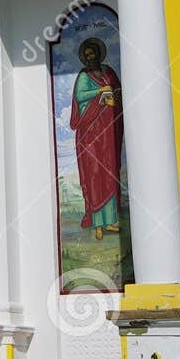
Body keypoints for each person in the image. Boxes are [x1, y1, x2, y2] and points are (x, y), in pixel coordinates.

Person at [69, 38, 123, 240]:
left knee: (109, 172)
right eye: (88, 55)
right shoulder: (84, 76)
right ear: (85, 58)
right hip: (90, 135)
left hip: (108, 133)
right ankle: (97, 223)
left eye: (94, 53)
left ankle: (111, 221)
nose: (91, 57)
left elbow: (118, 91)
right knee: (94, 174)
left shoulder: (108, 72)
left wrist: (113, 96)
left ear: (99, 54)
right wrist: (100, 91)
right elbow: (80, 96)